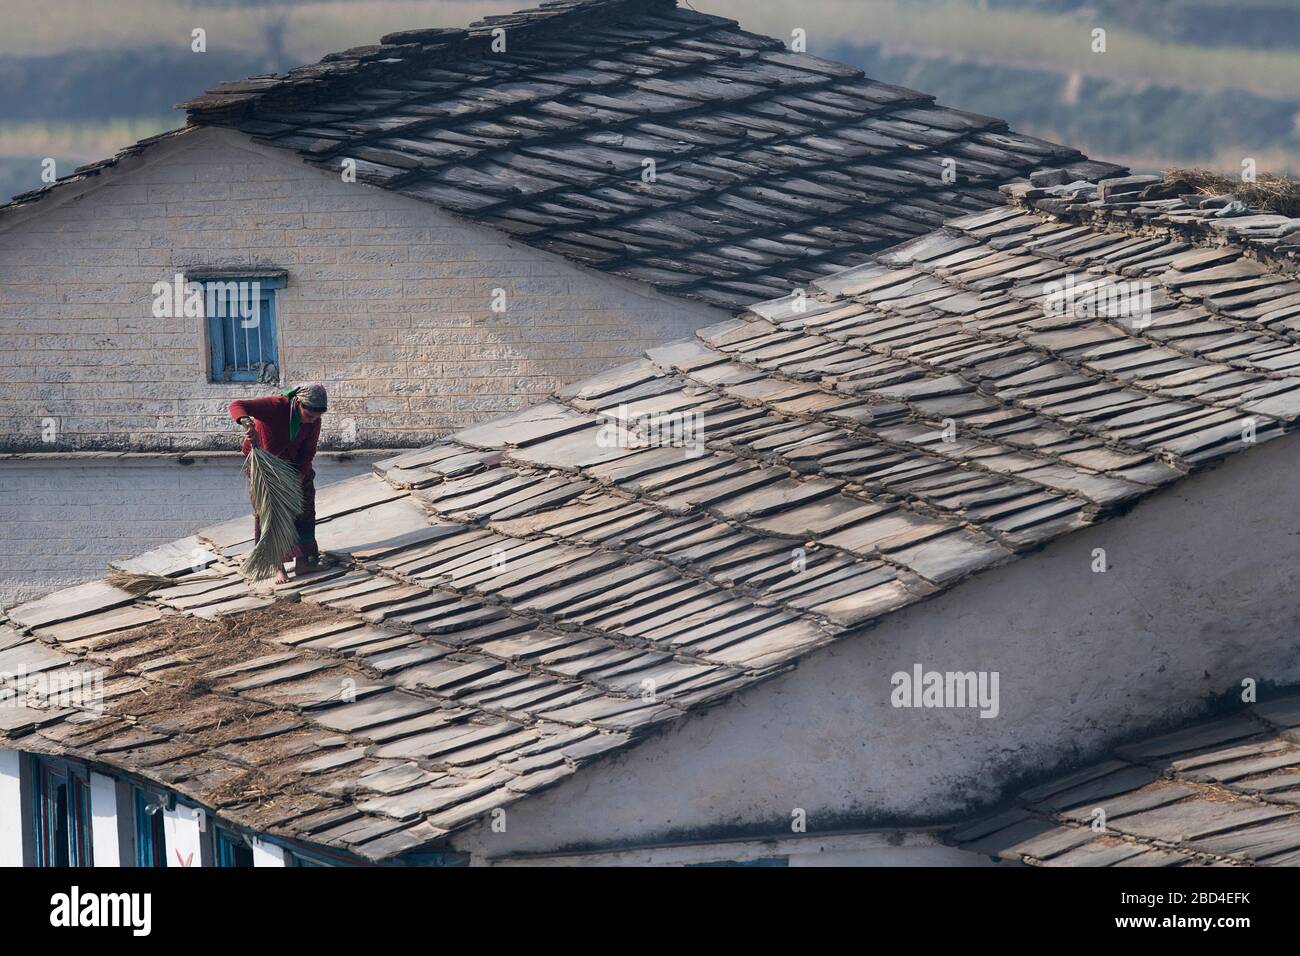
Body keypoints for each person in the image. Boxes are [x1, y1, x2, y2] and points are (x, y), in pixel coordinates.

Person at [229, 383, 328, 585]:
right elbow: (237, 405)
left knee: (305, 507)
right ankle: (277, 565)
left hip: (294, 466)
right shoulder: (275, 406)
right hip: (265, 465)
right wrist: (246, 422)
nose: (312, 420)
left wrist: (298, 478)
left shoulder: (314, 422)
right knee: (269, 511)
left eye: (316, 417)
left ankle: (305, 561)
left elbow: (308, 452)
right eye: (309, 415)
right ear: (298, 403)